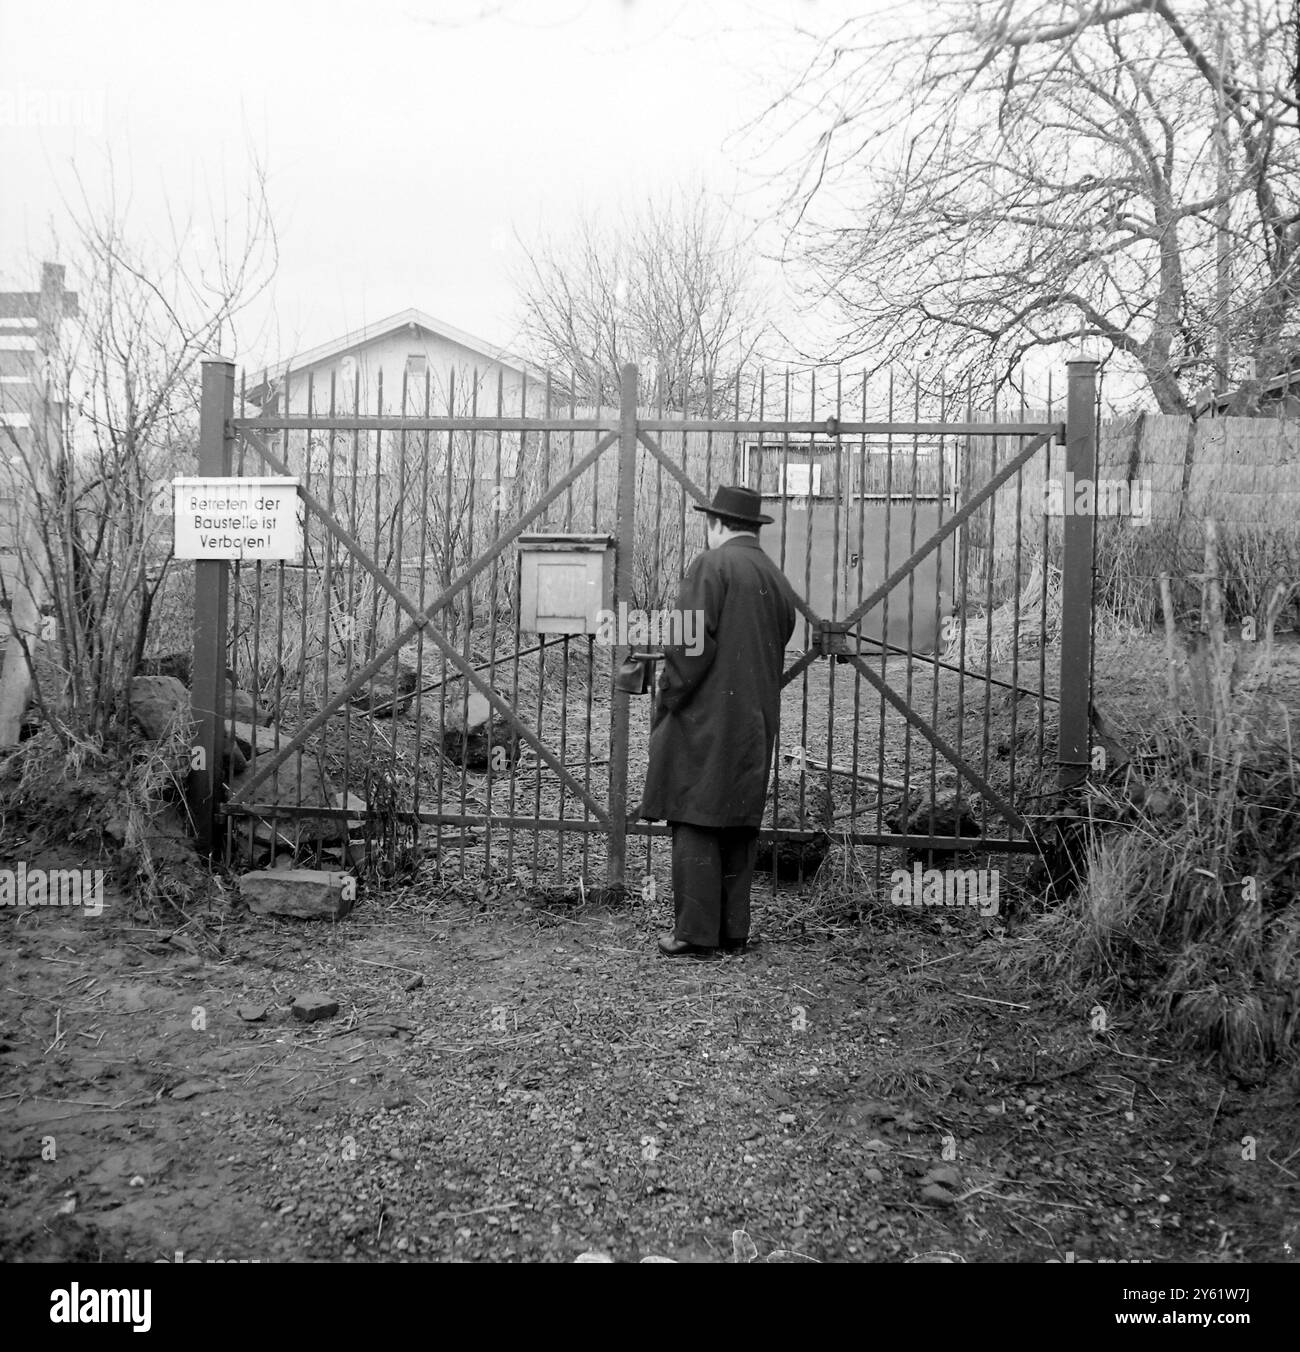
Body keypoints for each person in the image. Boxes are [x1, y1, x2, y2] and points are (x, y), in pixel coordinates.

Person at [638, 484, 798, 957]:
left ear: (717, 524)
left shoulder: (711, 565)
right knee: (738, 819)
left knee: (696, 814)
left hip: (705, 716)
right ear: (753, 527)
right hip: (755, 718)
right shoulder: (775, 575)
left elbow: (689, 645)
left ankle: (693, 932)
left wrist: (667, 694)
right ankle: (733, 931)